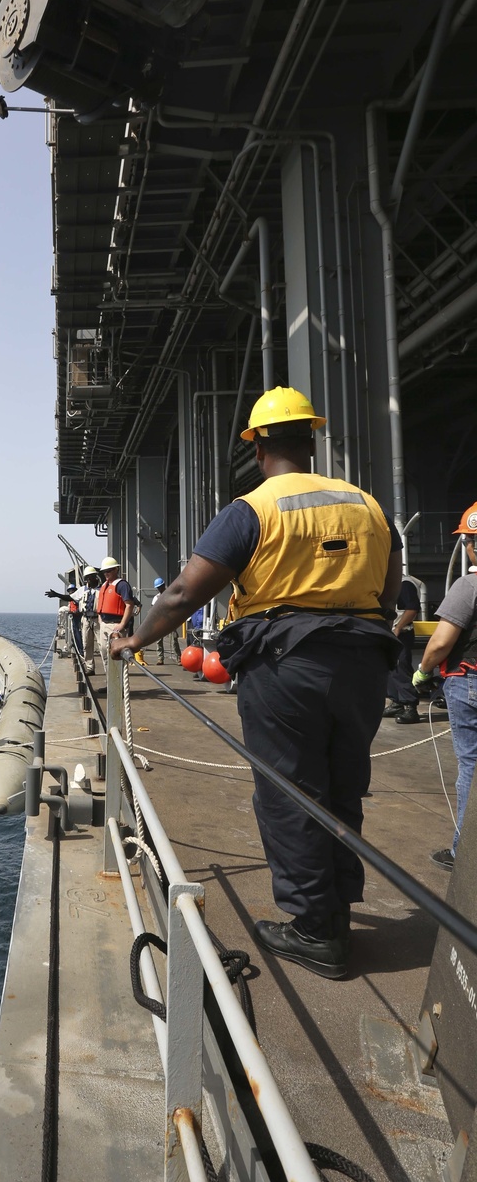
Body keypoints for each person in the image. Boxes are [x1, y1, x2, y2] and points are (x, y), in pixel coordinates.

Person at [112, 386, 401, 980]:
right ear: (311, 440)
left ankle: (313, 930)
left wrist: (134, 640)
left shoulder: (253, 510)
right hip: (365, 664)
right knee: (344, 786)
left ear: (257, 445)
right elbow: (389, 593)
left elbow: (184, 593)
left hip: (285, 666)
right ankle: (336, 910)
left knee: (289, 791)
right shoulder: (370, 508)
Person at [413, 502, 477, 868]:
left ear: (471, 543)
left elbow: (440, 642)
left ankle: (464, 851)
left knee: (471, 766)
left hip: (468, 682)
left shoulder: (469, 586)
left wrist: (422, 671)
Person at [381, 578, 421, 724]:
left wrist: (398, 628)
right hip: (388, 632)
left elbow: (412, 609)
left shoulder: (404, 583)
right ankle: (396, 702)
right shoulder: (385, 582)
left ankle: (410, 706)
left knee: (400, 669)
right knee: (389, 668)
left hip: (401, 633)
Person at [94, 556, 135, 654]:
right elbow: (100, 604)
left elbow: (129, 605)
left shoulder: (122, 585)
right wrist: (101, 620)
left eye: (109, 570)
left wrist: (122, 624)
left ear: (116, 569)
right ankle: (106, 670)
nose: (106, 573)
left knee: (117, 655)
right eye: (104, 571)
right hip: (104, 624)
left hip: (116, 625)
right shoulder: (104, 585)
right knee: (104, 653)